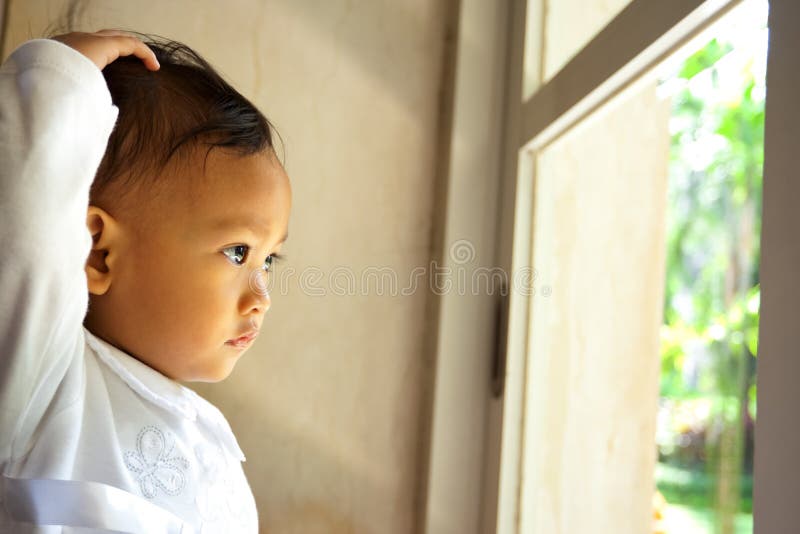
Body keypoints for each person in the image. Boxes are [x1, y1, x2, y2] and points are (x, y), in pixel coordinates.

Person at [0, 28, 291, 533]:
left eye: (269, 260)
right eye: (238, 251)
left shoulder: (205, 438)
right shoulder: (44, 377)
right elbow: (25, 225)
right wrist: (59, 79)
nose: (260, 297)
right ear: (98, 251)